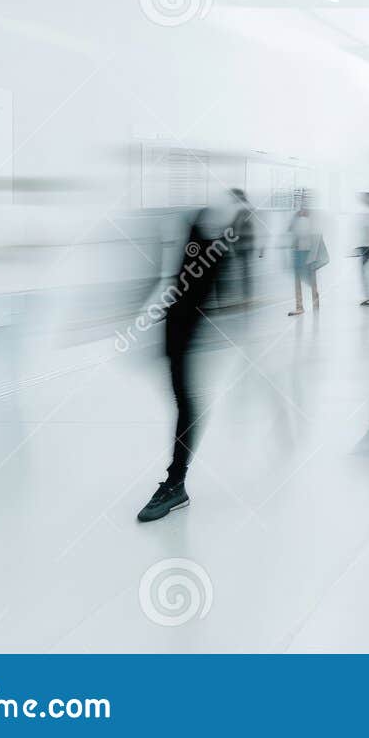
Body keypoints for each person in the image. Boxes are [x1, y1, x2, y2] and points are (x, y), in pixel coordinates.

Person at [137, 201, 234, 521]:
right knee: (184, 400)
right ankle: (176, 481)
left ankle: (176, 483)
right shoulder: (193, 228)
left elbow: (210, 292)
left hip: (188, 333)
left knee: (186, 402)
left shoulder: (212, 242)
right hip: (176, 329)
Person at [286, 193, 325, 316]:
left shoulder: (314, 217)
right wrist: (296, 219)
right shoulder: (296, 216)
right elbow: (290, 229)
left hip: (309, 251)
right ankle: (299, 306)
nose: (302, 205)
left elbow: (317, 234)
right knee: (297, 278)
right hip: (298, 250)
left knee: (311, 278)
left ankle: (315, 303)